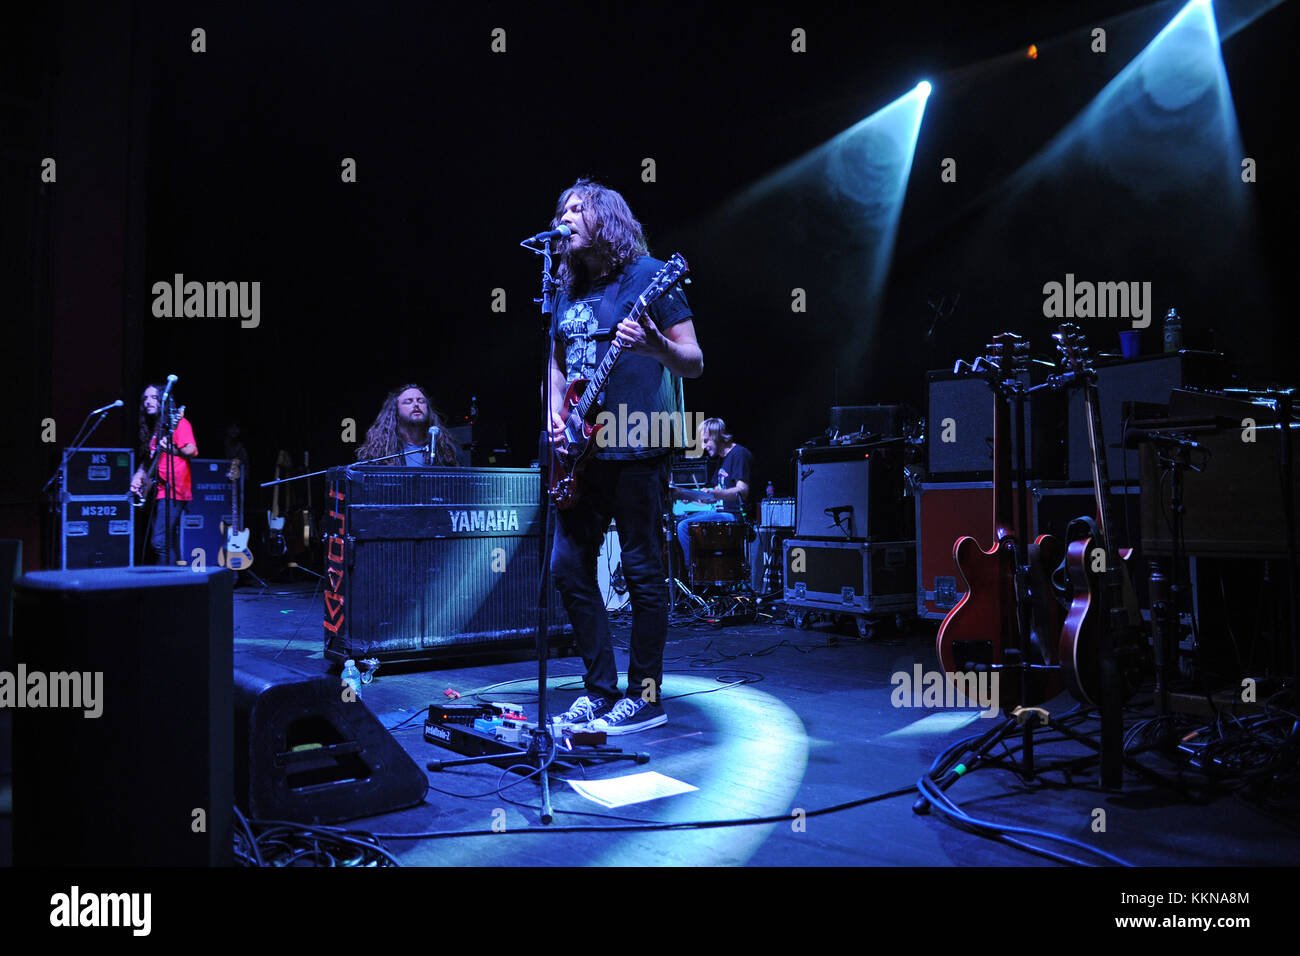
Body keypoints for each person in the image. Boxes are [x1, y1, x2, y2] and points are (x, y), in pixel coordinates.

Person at [547, 178, 703, 735]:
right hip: (579, 453)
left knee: (641, 571)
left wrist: (655, 345)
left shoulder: (649, 276)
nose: (564, 217)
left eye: (575, 209)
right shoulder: (565, 289)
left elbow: (693, 360)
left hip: (637, 441)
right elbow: (557, 363)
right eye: (560, 210)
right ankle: (597, 688)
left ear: (605, 218)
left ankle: (646, 694)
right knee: (567, 567)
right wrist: (555, 416)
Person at [674, 417, 755, 571]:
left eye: (706, 441)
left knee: (684, 526)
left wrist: (715, 493)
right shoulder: (721, 460)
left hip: (735, 515)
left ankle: (690, 573)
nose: (704, 446)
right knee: (680, 520)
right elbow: (713, 497)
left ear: (716, 436)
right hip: (721, 511)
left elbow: (742, 491)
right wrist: (691, 498)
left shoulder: (739, 454)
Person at [129, 383, 197, 565]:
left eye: (153, 397)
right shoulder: (157, 431)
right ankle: (177, 585)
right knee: (168, 541)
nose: (148, 402)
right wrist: (138, 476)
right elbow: (149, 461)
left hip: (175, 490)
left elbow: (191, 450)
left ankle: (166, 586)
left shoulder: (179, 423)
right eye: (145, 398)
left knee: (159, 542)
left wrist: (171, 449)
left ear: (163, 401)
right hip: (158, 490)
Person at [356, 384, 459, 466]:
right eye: (408, 402)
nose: (416, 404)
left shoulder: (444, 449)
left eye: (421, 401)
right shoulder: (379, 451)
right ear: (396, 410)